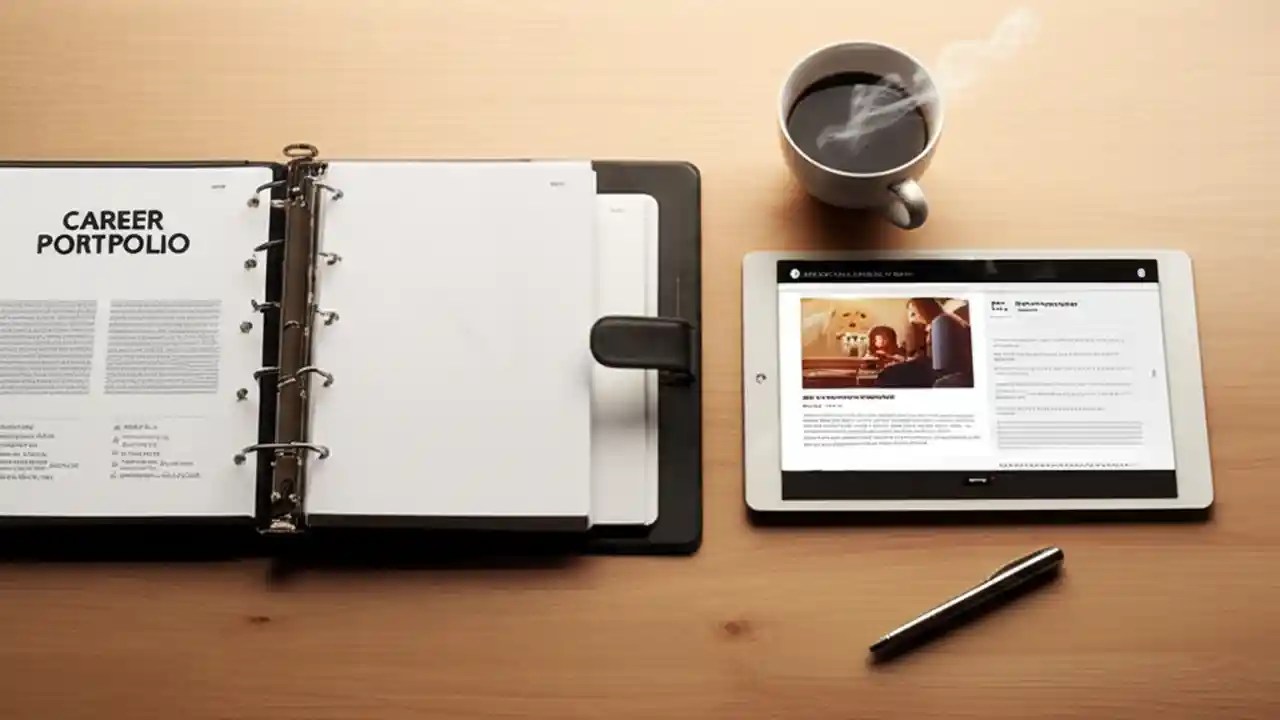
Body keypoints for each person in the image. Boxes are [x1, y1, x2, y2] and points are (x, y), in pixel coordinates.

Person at [907, 297, 973, 386]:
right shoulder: (937, 324)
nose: (912, 318)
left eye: (913, 313)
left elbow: (940, 364)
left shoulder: (941, 323)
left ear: (924, 308)